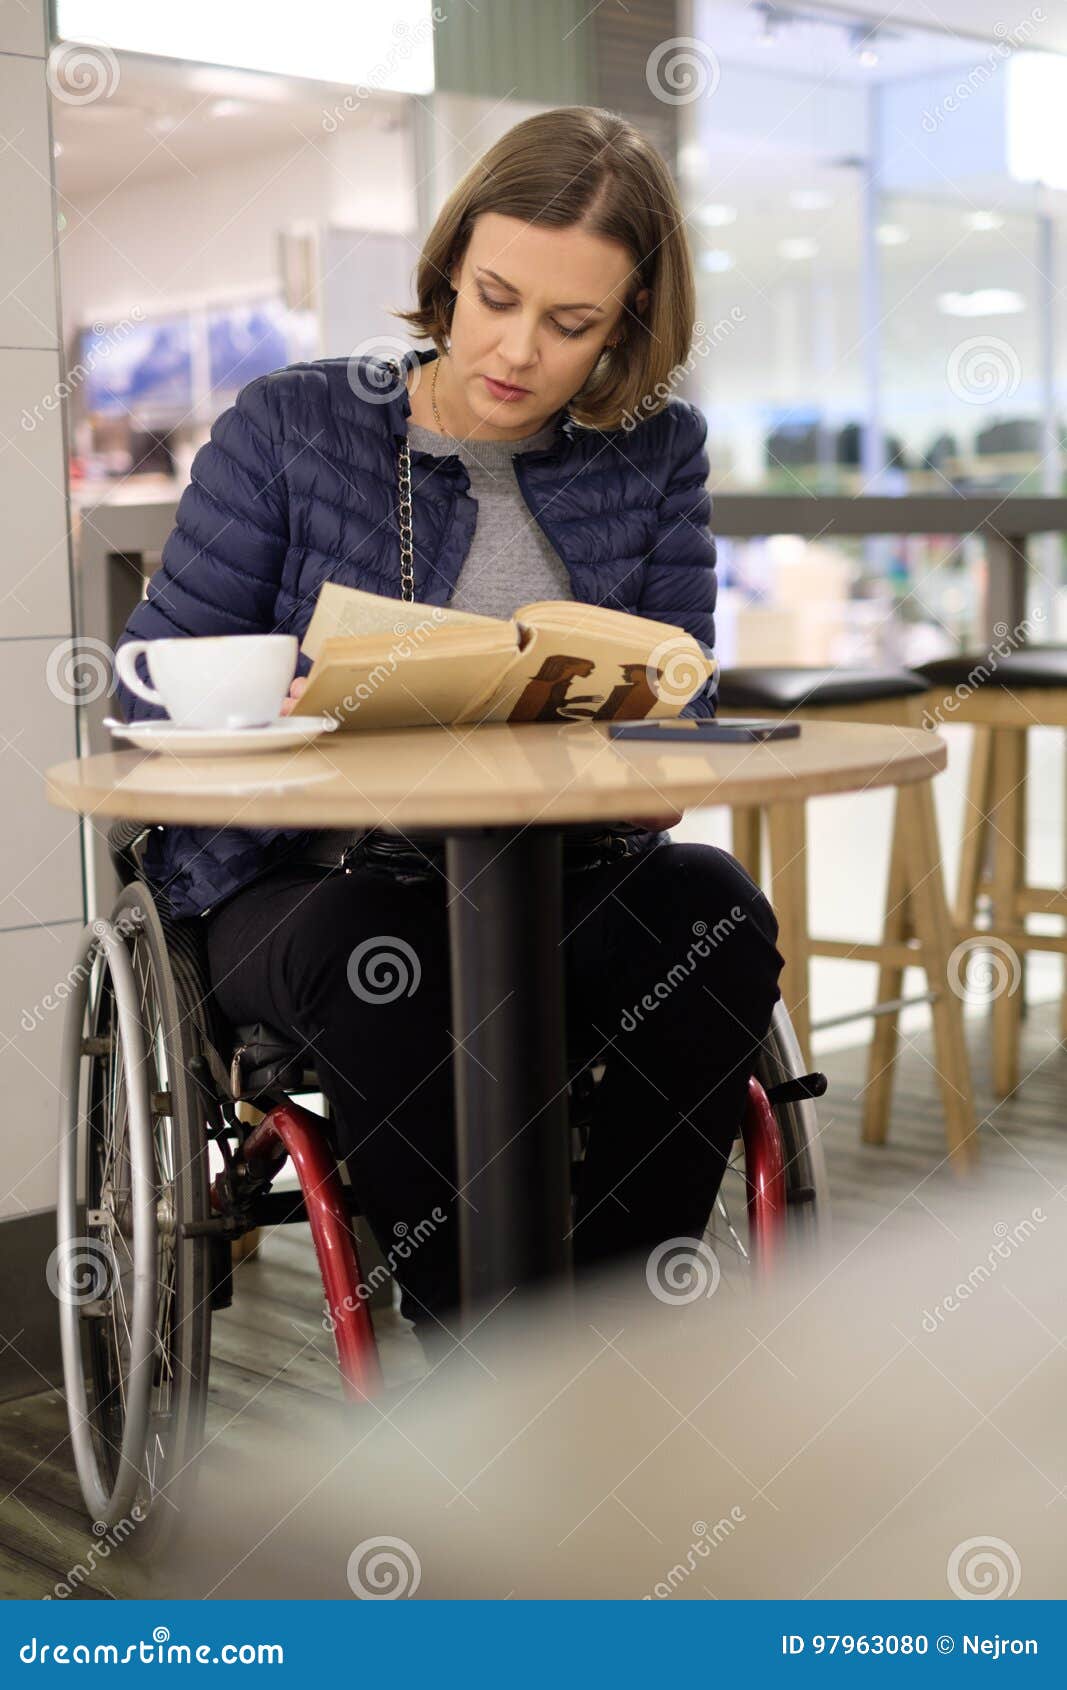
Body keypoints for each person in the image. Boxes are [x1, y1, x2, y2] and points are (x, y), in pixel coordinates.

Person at [113, 105, 785, 1360]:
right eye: (493, 297)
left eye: (572, 324)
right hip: (308, 885)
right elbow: (146, 699)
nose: (517, 349)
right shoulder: (296, 427)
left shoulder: (654, 454)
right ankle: (493, 1362)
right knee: (395, 948)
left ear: (628, 325)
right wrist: (296, 700)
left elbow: (676, 693)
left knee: (713, 915)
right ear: (447, 269)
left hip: (560, 871)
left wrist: (651, 743)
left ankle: (612, 1341)